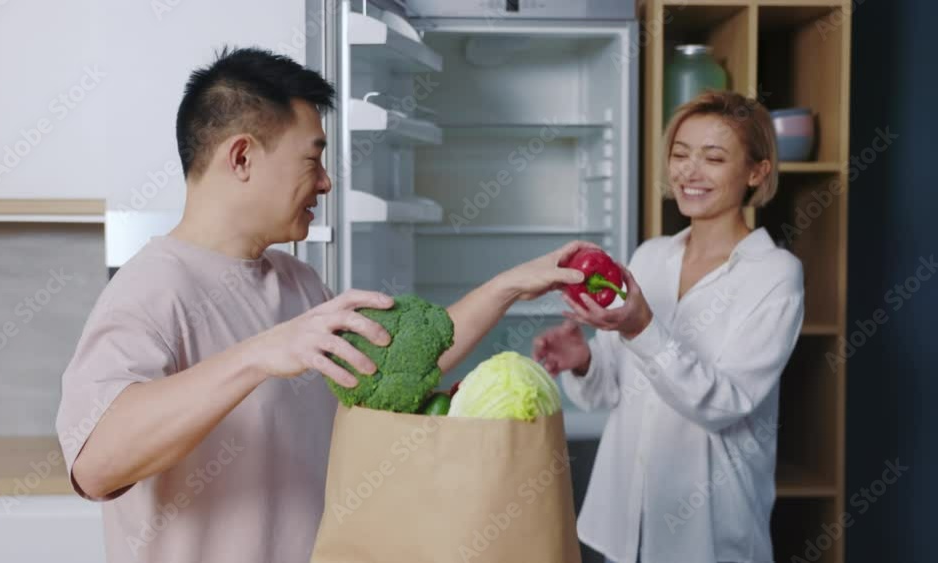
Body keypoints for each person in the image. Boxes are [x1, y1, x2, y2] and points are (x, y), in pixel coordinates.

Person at [54, 47, 592, 563]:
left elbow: (396, 369)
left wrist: (507, 287)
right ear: (241, 157)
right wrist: (260, 354)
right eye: (312, 159)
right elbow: (96, 463)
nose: (327, 181)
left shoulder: (299, 282)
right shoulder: (149, 289)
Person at [534, 91, 805, 563]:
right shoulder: (650, 255)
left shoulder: (774, 274)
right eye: (680, 155)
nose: (689, 172)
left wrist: (641, 328)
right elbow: (611, 390)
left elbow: (724, 405)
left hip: (709, 534)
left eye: (713, 158)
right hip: (624, 524)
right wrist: (584, 362)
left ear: (757, 172)